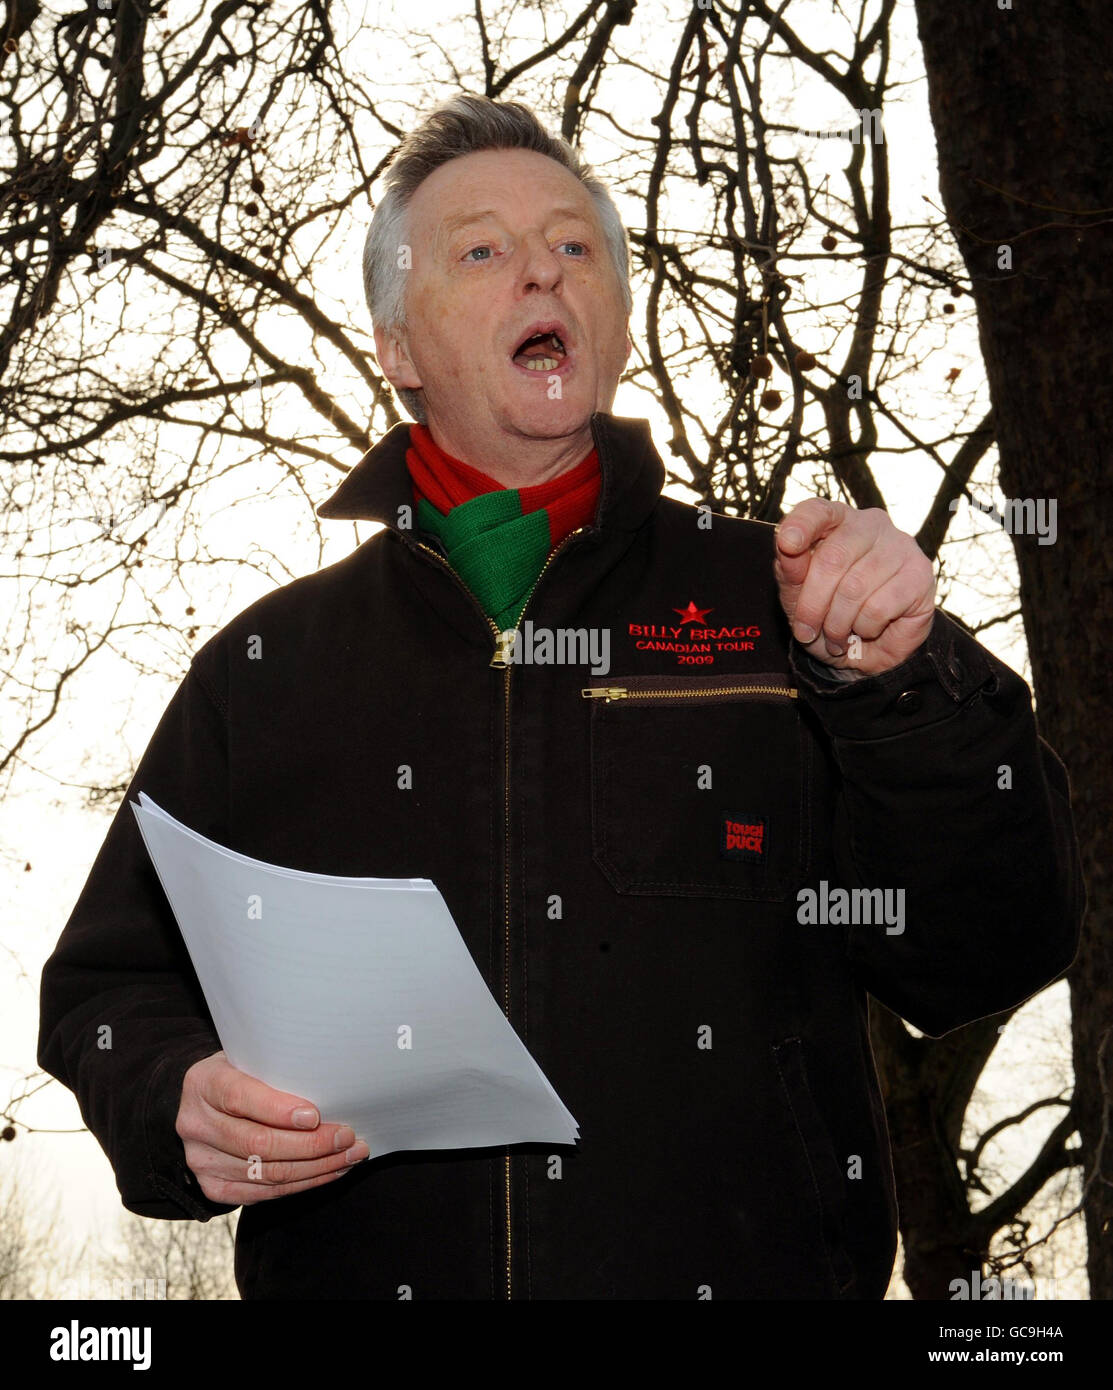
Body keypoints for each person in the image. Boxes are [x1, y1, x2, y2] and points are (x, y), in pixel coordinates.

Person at [38, 94, 1083, 1300]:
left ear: (619, 327)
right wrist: (174, 1094)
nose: (541, 266)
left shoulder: (791, 606)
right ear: (399, 347)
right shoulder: (265, 669)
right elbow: (105, 992)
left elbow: (995, 939)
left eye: (574, 246)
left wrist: (900, 685)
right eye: (482, 249)